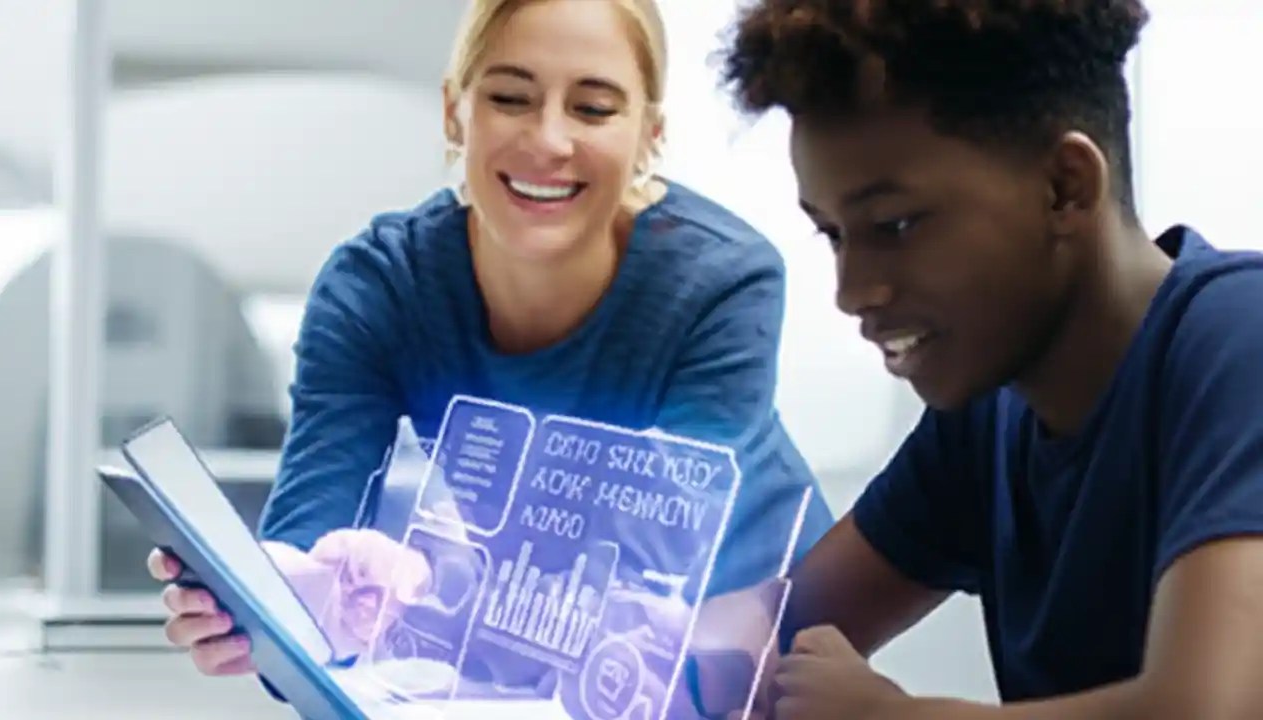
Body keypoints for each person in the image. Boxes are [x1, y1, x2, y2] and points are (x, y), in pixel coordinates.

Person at [147, 0, 832, 704]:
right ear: (455, 113)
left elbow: (655, 565)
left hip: (753, 623)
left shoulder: (723, 279)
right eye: (510, 98)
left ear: (649, 136)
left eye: (594, 108)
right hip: (532, 634)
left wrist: (419, 595)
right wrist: (267, 602)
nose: (549, 139)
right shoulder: (379, 286)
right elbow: (313, 532)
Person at [720, 1, 1263, 718]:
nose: (852, 293)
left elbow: (1204, 711)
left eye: (896, 225)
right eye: (833, 235)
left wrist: (892, 717)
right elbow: (776, 630)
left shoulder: (1238, 338)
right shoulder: (991, 412)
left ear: (1064, 187)